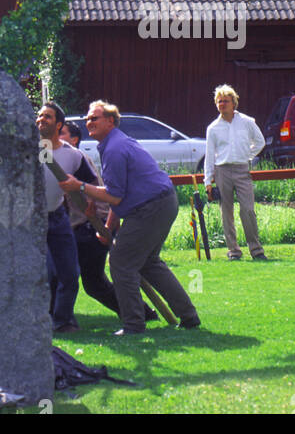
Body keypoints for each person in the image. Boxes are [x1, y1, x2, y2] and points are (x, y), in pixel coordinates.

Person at [59, 100, 200, 336]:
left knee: (121, 262)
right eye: (87, 119)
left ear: (110, 121)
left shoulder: (115, 148)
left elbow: (114, 196)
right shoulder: (113, 144)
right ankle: (188, 316)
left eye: (94, 118)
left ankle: (134, 324)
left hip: (150, 207)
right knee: (149, 263)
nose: (88, 122)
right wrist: (108, 226)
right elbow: (121, 195)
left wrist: (79, 186)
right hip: (161, 203)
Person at [204, 85, 267, 261]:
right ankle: (234, 251)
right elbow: (209, 156)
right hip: (222, 171)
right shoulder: (213, 128)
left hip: (242, 169)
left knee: (247, 210)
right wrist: (208, 181)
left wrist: (247, 155)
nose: (222, 104)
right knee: (226, 213)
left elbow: (260, 142)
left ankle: (256, 250)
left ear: (234, 103)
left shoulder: (247, 122)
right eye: (219, 101)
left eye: (225, 101)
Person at [36, 102, 80, 334]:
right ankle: (38, 322)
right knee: (41, 274)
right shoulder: (27, 151)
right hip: (31, 220)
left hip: (58, 217)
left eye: (48, 117)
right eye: (40, 116)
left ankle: (62, 321)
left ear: (59, 124)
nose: (41, 120)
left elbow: (89, 183)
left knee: (70, 274)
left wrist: (90, 206)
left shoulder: (72, 155)